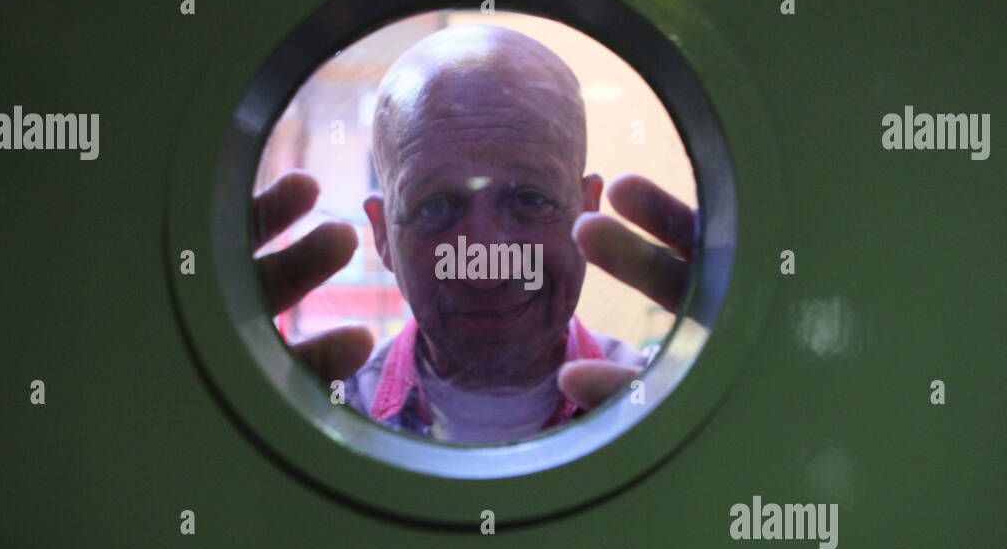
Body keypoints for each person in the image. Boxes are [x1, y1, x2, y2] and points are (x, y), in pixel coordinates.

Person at [253, 24, 696, 442]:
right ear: (384, 232)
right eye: (437, 206)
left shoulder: (675, 408)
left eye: (529, 199)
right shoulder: (308, 417)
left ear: (588, 211)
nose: (484, 263)